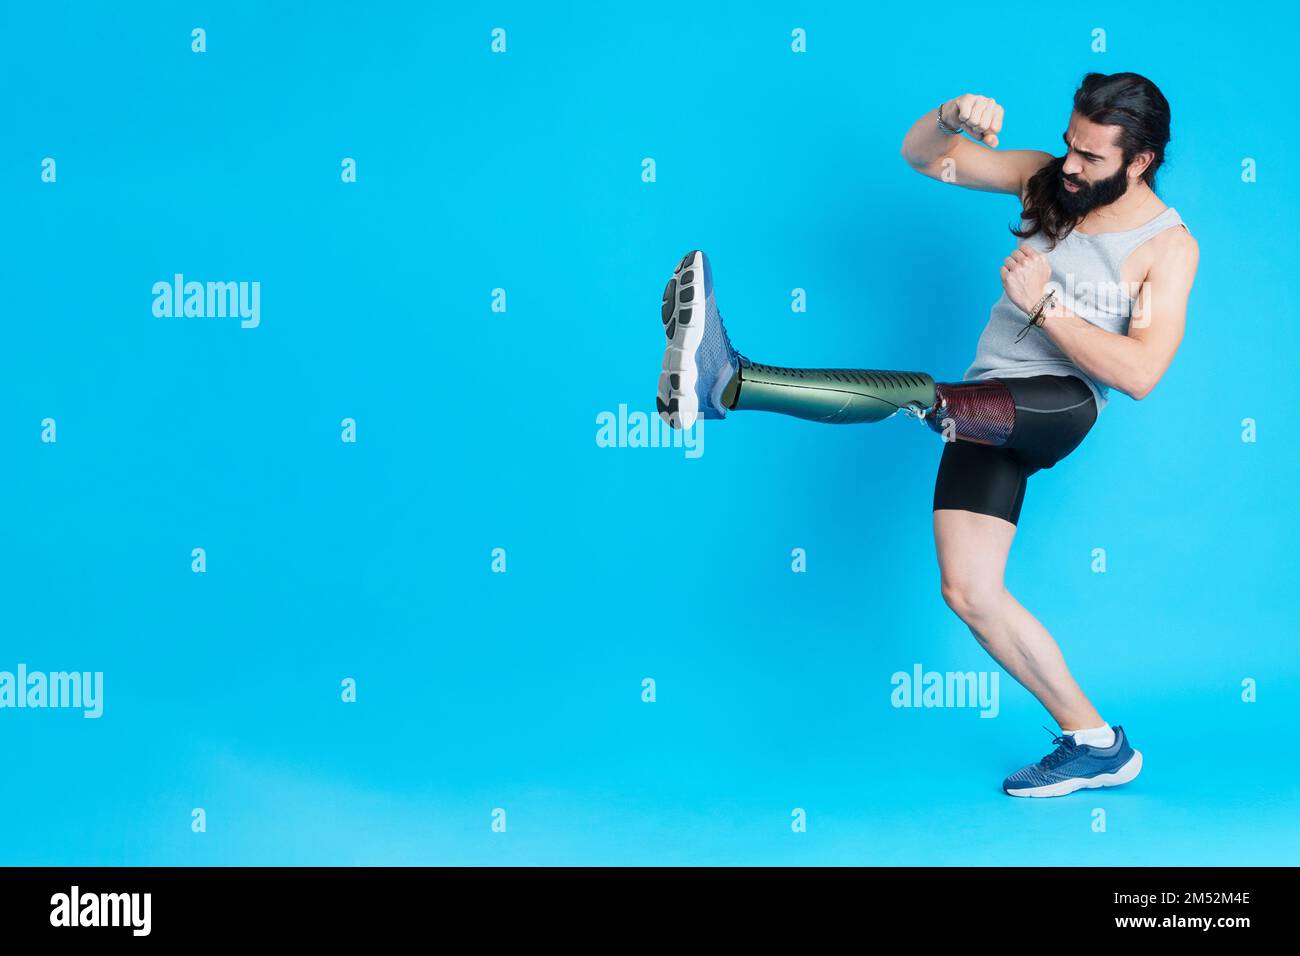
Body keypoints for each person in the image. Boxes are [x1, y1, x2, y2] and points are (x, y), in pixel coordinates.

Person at [654, 72, 1200, 797]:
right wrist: (948, 116)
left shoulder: (1169, 246)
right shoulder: (1047, 179)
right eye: (1069, 144)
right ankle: (1096, 742)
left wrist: (1048, 310)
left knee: (926, 397)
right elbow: (925, 157)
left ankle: (727, 381)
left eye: (1092, 158)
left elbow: (1140, 373)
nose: (1070, 165)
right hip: (985, 403)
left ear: (1141, 162)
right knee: (970, 590)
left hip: (1059, 405)